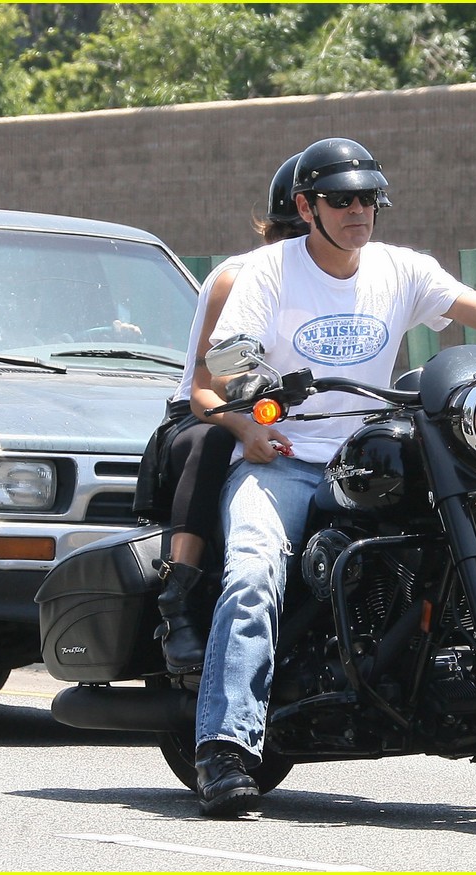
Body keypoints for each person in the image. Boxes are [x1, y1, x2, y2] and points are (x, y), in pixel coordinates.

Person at [191, 136, 476, 818]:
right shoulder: (266, 274)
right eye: (341, 199)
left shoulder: (399, 270)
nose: (358, 211)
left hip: (366, 455)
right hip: (284, 454)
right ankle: (224, 747)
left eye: (367, 198)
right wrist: (247, 422)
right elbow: (223, 365)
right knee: (254, 569)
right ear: (306, 206)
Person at [132, 152, 308, 674]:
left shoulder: (342, 283)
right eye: (300, 232)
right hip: (202, 419)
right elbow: (203, 391)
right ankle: (178, 600)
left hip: (283, 421)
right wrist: (244, 425)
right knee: (216, 442)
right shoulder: (239, 278)